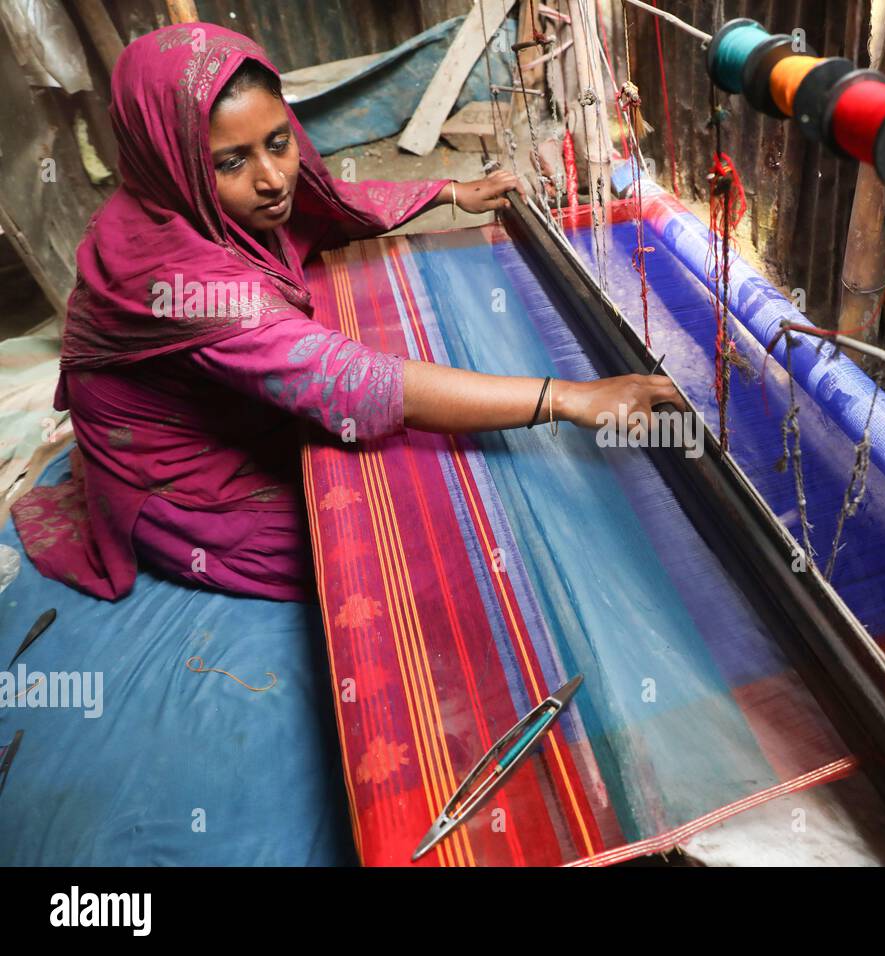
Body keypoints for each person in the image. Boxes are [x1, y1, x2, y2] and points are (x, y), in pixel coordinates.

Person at [12, 23, 683, 602]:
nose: (273, 178)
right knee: (415, 542)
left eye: (279, 142)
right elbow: (358, 385)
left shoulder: (185, 202)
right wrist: (567, 397)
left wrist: (446, 191)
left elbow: (321, 209)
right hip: (179, 479)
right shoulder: (186, 279)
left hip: (200, 405)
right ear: (173, 159)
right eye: (231, 161)